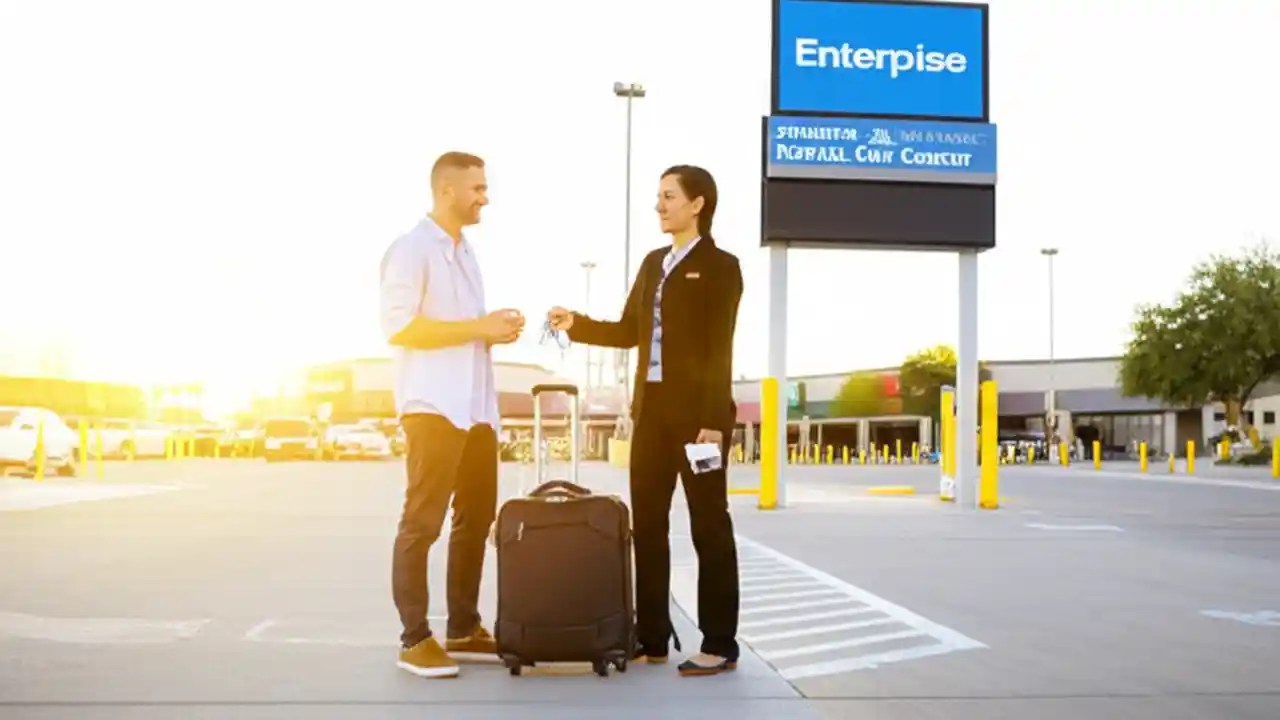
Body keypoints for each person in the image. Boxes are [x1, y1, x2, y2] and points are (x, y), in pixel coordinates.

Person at [547, 165, 744, 677]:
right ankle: (652, 636)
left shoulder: (722, 266)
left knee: (709, 529)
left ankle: (720, 643)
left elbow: (718, 346)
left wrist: (712, 422)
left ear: (697, 204)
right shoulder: (654, 263)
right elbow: (628, 331)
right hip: (651, 416)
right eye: (658, 196)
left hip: (699, 423)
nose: (659, 205)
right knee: (648, 528)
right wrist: (578, 325)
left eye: (669, 196)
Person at [379, 151, 525, 678]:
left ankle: (462, 626)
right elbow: (400, 327)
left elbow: (469, 328)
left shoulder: (466, 254)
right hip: (433, 407)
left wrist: (496, 327)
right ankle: (414, 639)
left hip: (475, 410)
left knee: (475, 520)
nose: (484, 197)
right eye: (477, 188)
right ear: (446, 190)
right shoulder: (411, 250)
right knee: (422, 523)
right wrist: (477, 328)